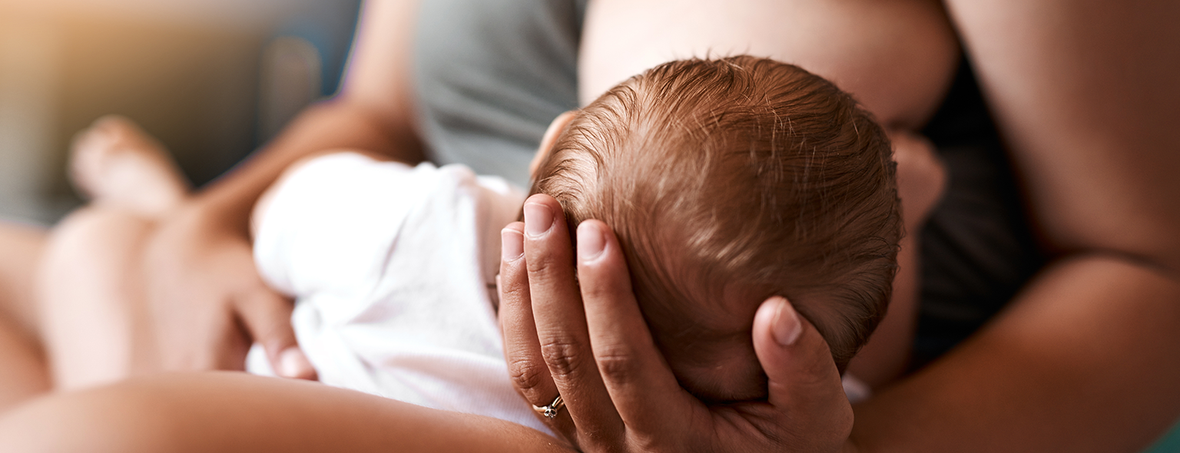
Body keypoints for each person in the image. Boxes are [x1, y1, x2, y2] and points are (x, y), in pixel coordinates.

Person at [0, 0, 1177, 451]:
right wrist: (201, 229)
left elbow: (1144, 266)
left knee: (84, 431)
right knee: (73, 272)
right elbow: (374, 110)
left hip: (567, 419)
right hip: (347, 302)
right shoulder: (437, 222)